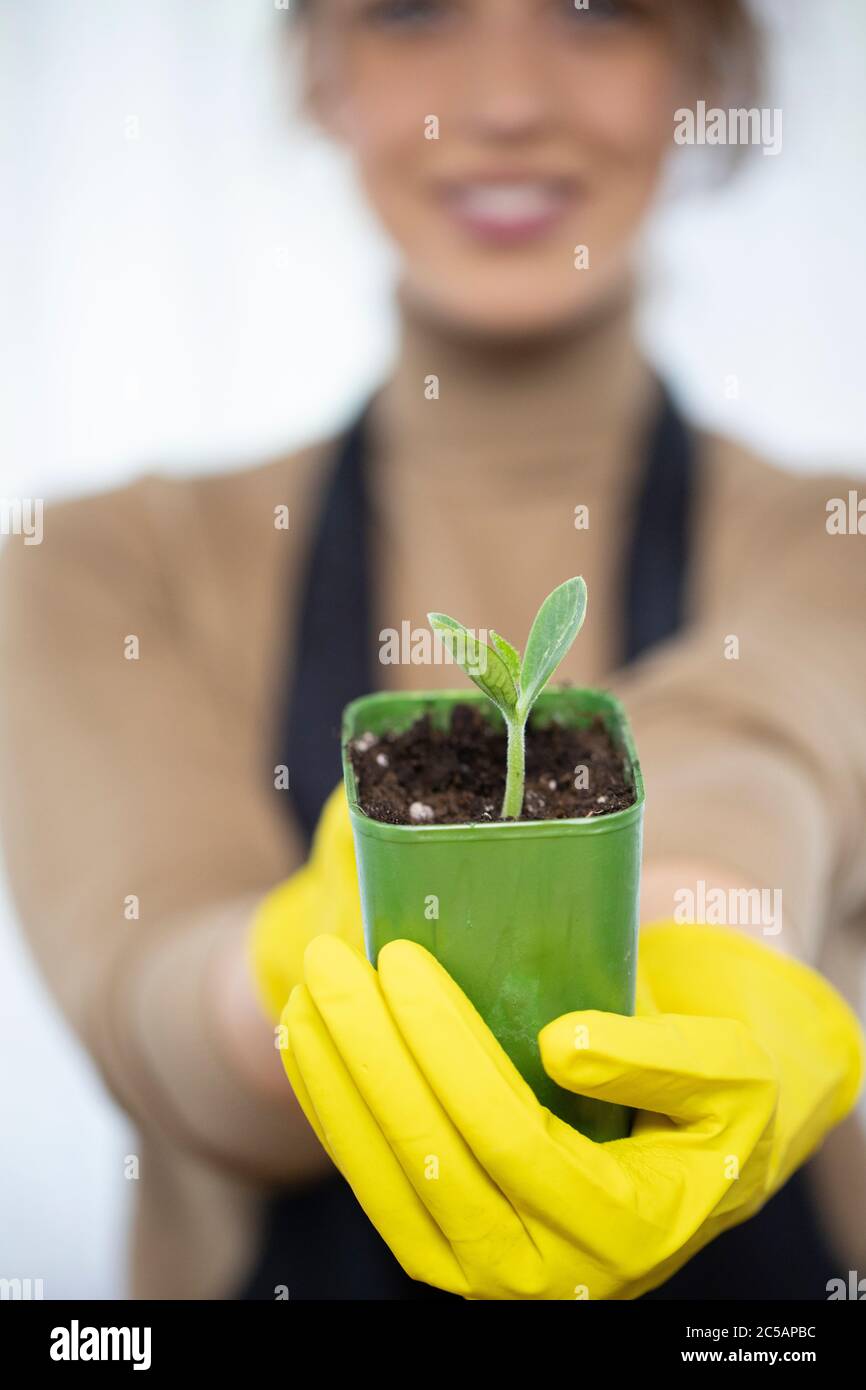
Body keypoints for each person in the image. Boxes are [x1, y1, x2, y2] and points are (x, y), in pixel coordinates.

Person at [1, 0, 864, 1301]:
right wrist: (288, 986)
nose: (507, 98)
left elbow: (760, 727)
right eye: (410, 9)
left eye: (597, 8)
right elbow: (148, 992)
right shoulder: (104, 561)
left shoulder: (839, 540)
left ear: (701, 63)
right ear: (319, 65)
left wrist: (686, 908)